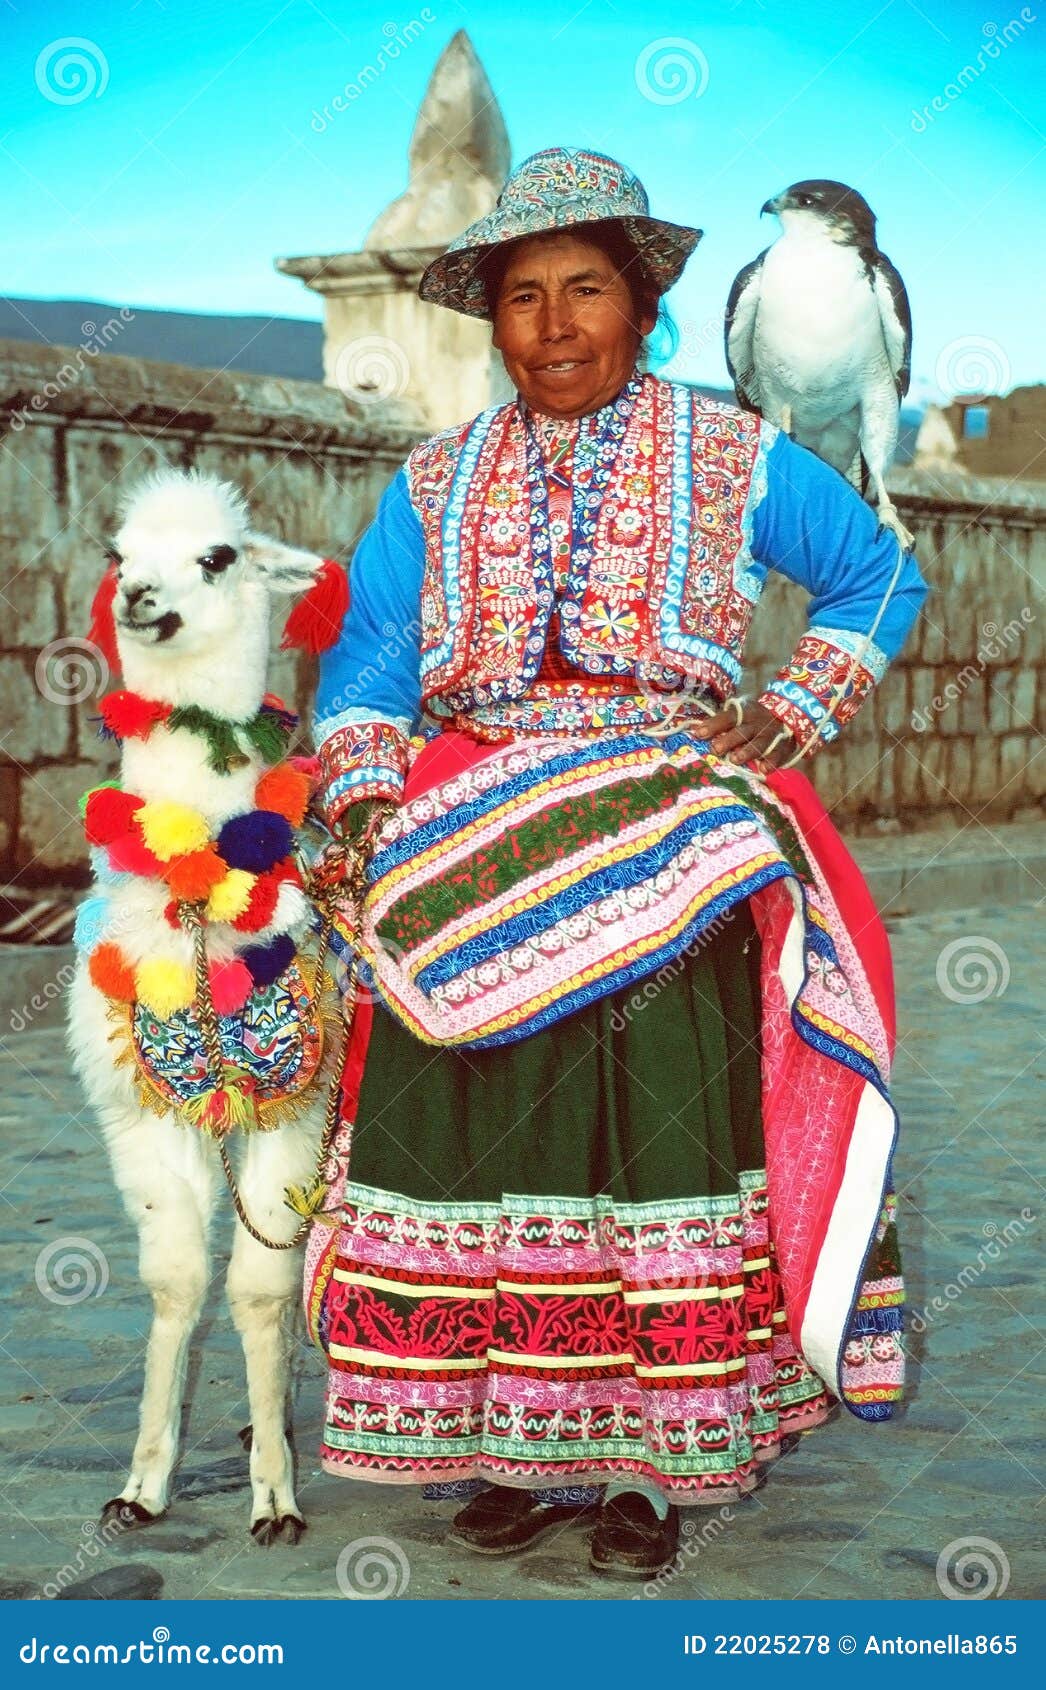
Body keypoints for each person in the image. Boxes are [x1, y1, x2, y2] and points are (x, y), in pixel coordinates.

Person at [304, 147, 928, 1580]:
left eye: (586, 287)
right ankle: (523, 1445)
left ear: (644, 307)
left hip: (669, 843)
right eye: (523, 297)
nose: (554, 323)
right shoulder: (434, 479)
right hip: (473, 844)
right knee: (490, 1149)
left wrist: (798, 703)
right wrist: (358, 795)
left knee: (653, 1148)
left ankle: (659, 1459)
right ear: (493, 320)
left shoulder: (729, 457)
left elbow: (878, 574)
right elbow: (374, 659)